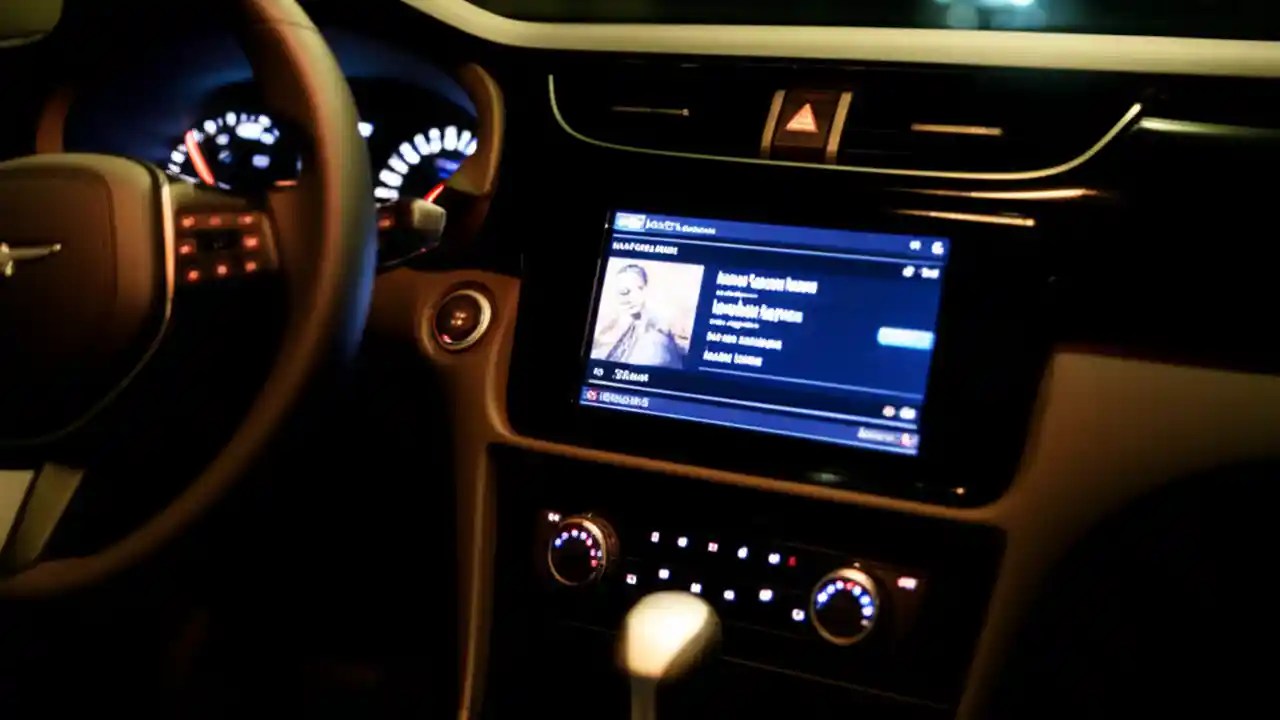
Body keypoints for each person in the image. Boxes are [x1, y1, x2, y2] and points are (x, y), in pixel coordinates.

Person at [591, 263, 686, 368]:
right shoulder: (608, 329)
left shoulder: (660, 336)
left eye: (639, 288)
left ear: (645, 290)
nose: (630, 297)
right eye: (623, 291)